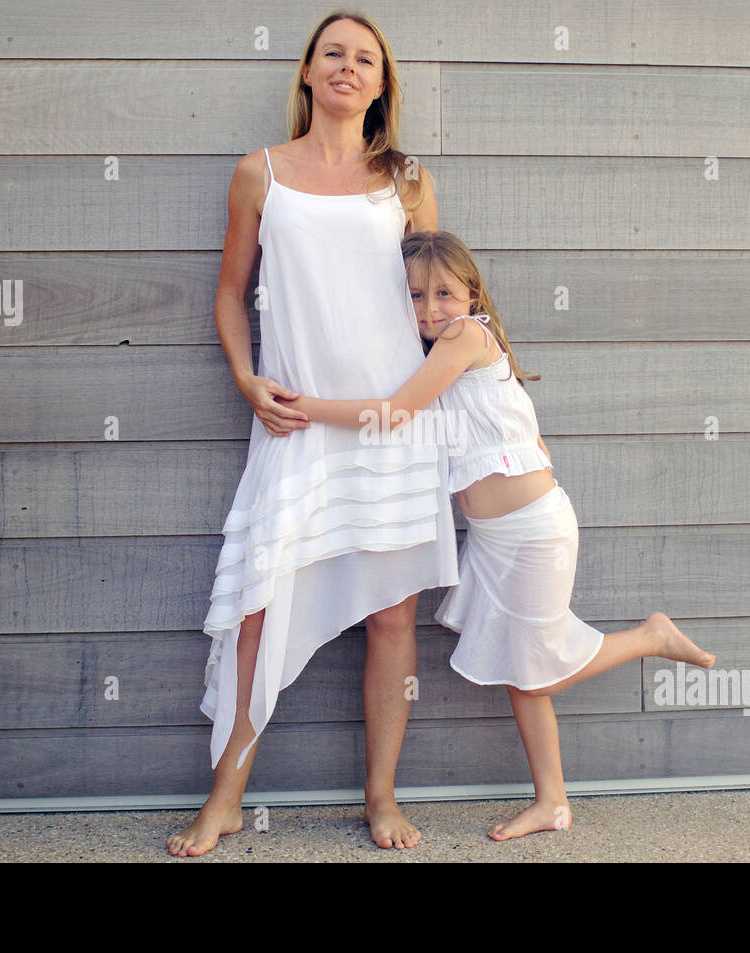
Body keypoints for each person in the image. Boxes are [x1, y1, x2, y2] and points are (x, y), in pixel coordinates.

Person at [276, 229, 719, 840]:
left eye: (443, 293)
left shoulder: (465, 336)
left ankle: (649, 637)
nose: (430, 309)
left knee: (535, 668)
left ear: (471, 293)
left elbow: (394, 412)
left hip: (533, 532)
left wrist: (304, 406)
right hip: (493, 538)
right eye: (412, 297)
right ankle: (553, 803)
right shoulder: (448, 350)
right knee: (522, 668)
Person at [167, 12, 457, 857]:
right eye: (334, 52)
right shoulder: (259, 173)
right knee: (259, 608)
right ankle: (225, 799)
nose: (347, 66)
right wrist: (246, 378)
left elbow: (438, 297)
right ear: (306, 72)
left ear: (380, 84)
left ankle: (381, 796)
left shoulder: (406, 179)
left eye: (365, 58)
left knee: (392, 617)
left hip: (391, 425)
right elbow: (229, 292)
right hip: (293, 419)